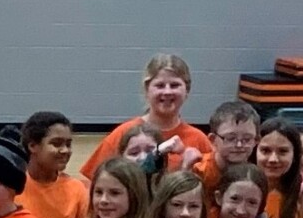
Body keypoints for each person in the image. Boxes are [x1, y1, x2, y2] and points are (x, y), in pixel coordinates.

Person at [81, 54, 215, 181]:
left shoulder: (199, 140)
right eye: (160, 85)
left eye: (174, 85)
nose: (167, 91)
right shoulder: (124, 133)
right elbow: (95, 183)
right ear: (147, 89)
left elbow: (212, 184)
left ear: (187, 90)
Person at [19, 110, 87, 218]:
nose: (65, 151)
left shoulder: (76, 188)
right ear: (33, 146)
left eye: (68, 144)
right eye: (56, 144)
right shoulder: (12, 185)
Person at [194, 100, 260, 198]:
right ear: (213, 140)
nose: (239, 145)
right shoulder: (199, 172)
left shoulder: (256, 176)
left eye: (247, 139)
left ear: (256, 140)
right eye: (230, 138)